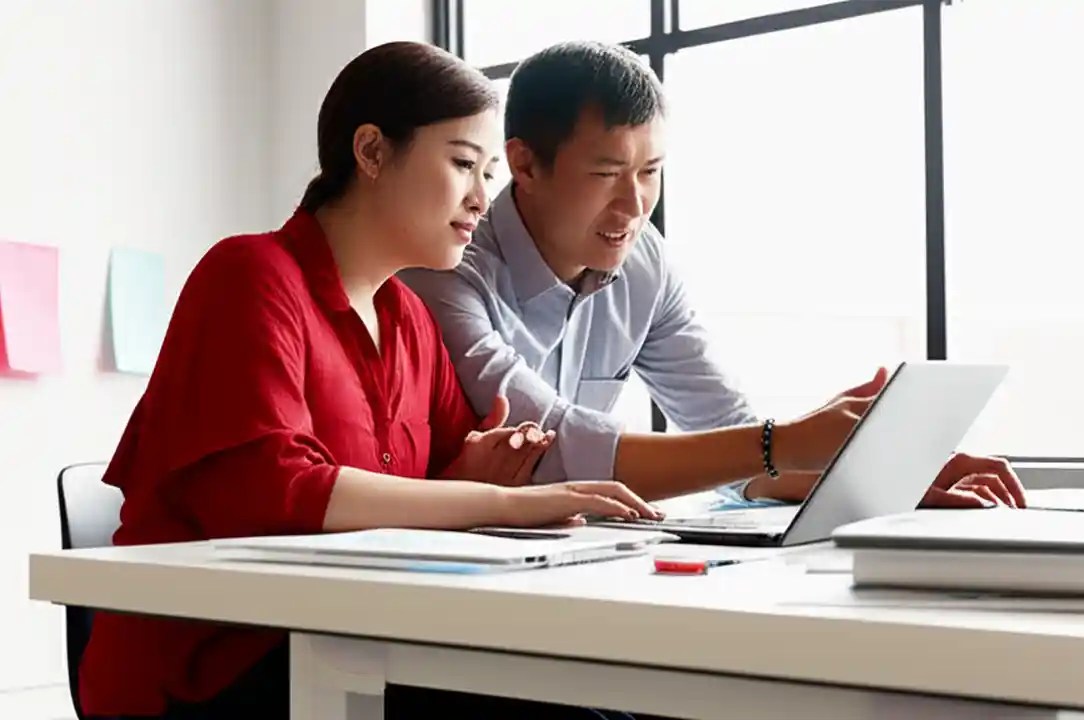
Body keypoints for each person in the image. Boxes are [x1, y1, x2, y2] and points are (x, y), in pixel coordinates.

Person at [77, 41, 669, 720]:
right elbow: (277, 494)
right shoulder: (249, 275)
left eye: (488, 174)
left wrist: (476, 473)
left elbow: (432, 487)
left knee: (615, 700)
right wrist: (495, 503)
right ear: (372, 152)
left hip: (356, 643)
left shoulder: (411, 321)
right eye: (462, 165)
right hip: (216, 668)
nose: (482, 197)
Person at [402, 41, 1026, 509]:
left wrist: (885, 482)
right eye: (605, 174)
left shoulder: (646, 264)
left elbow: (732, 447)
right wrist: (785, 441)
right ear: (525, 164)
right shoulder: (445, 267)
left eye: (651, 172)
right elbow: (553, 449)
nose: (634, 205)